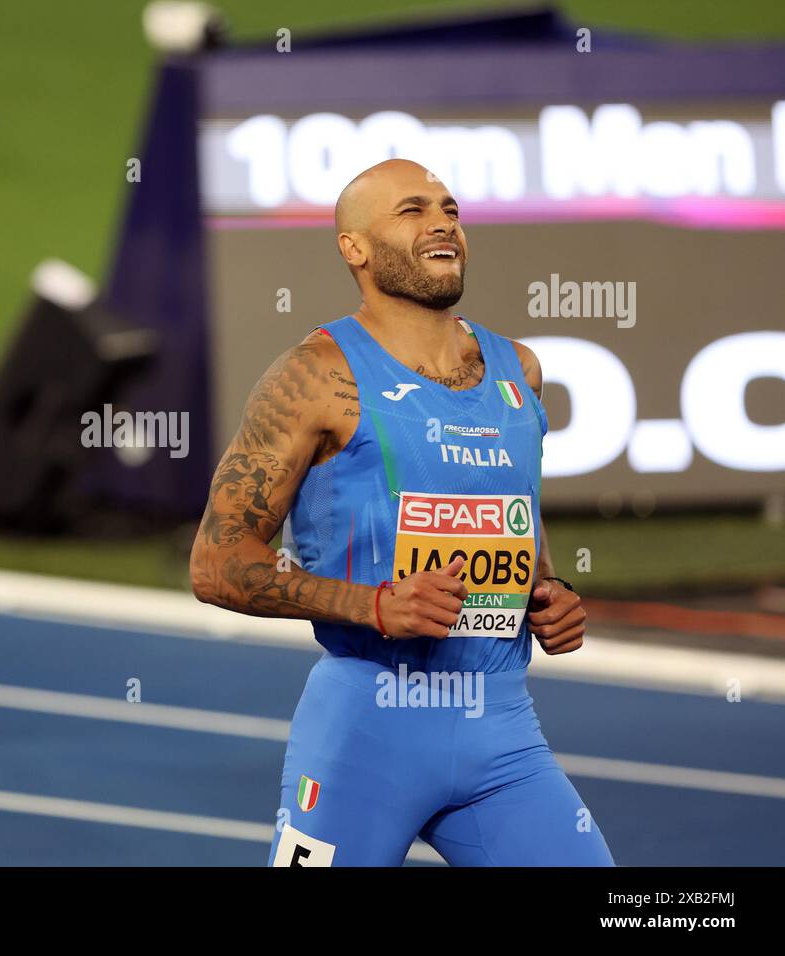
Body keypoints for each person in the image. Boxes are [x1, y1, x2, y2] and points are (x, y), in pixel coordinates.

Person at [190, 159, 613, 867]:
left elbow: (515, 527)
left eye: (449, 208)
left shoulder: (520, 371)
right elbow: (217, 564)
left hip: (501, 729)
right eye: (412, 210)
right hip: (367, 731)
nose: (443, 221)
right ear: (353, 247)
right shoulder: (315, 377)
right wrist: (378, 606)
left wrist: (553, 595)